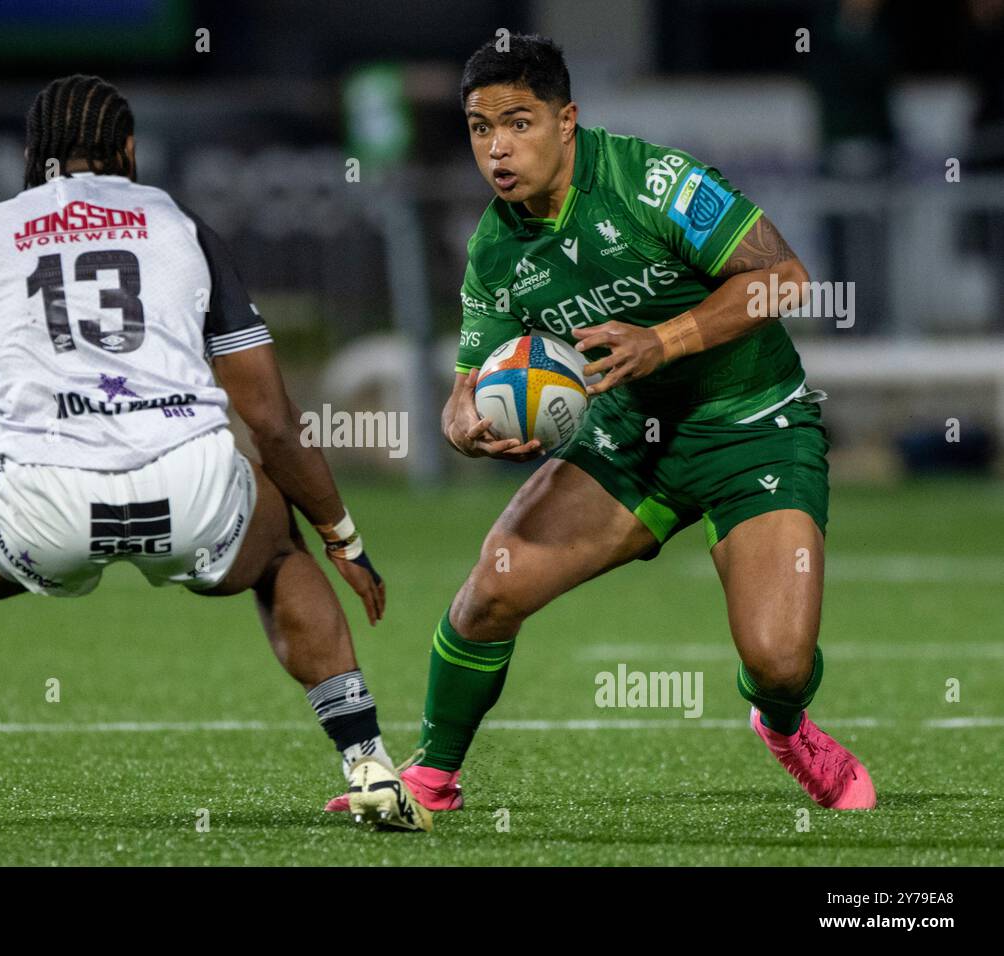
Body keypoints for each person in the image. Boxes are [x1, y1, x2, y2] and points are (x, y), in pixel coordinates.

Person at [0, 74, 429, 833]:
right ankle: (370, 764)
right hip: (191, 487)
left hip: (40, 501)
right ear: (128, 150)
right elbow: (275, 424)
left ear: (30, 156)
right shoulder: (179, 224)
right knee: (281, 544)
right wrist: (341, 537)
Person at [329, 34, 874, 817]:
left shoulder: (655, 182)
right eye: (481, 129)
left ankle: (786, 725)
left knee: (780, 661)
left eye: (518, 122)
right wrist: (467, 427)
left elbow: (785, 280)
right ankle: (431, 778)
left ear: (567, 121)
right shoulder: (494, 247)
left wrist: (663, 341)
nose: (497, 148)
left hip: (752, 425)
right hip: (627, 438)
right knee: (489, 593)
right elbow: (461, 391)